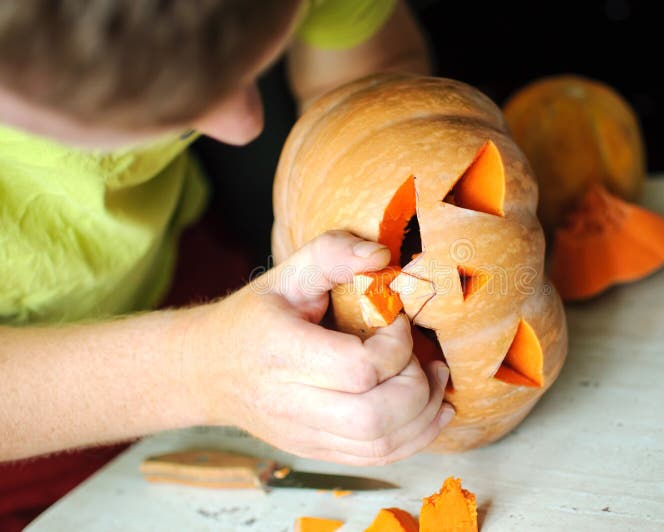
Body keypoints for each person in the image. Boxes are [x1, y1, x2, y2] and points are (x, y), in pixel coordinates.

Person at [0, 0, 453, 526]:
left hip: (188, 281)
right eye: (169, 109)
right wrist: (203, 371)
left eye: (249, 66)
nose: (246, 126)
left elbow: (367, 73)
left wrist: (340, 192)